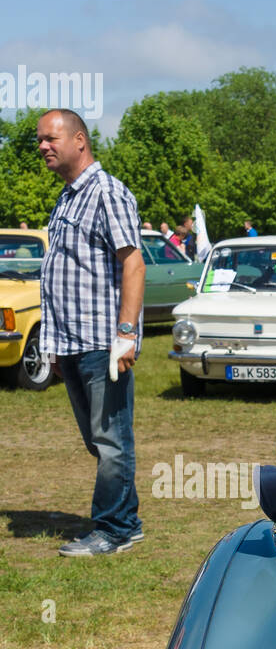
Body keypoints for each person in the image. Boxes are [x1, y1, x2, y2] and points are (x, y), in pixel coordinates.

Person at [36, 108, 145, 556]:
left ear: (79, 140)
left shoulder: (106, 192)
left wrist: (125, 333)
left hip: (102, 342)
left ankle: (115, 530)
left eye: (50, 138)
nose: (43, 146)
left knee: (111, 439)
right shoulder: (67, 197)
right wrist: (56, 348)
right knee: (100, 440)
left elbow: (133, 263)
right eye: (39, 140)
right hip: (73, 342)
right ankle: (127, 519)